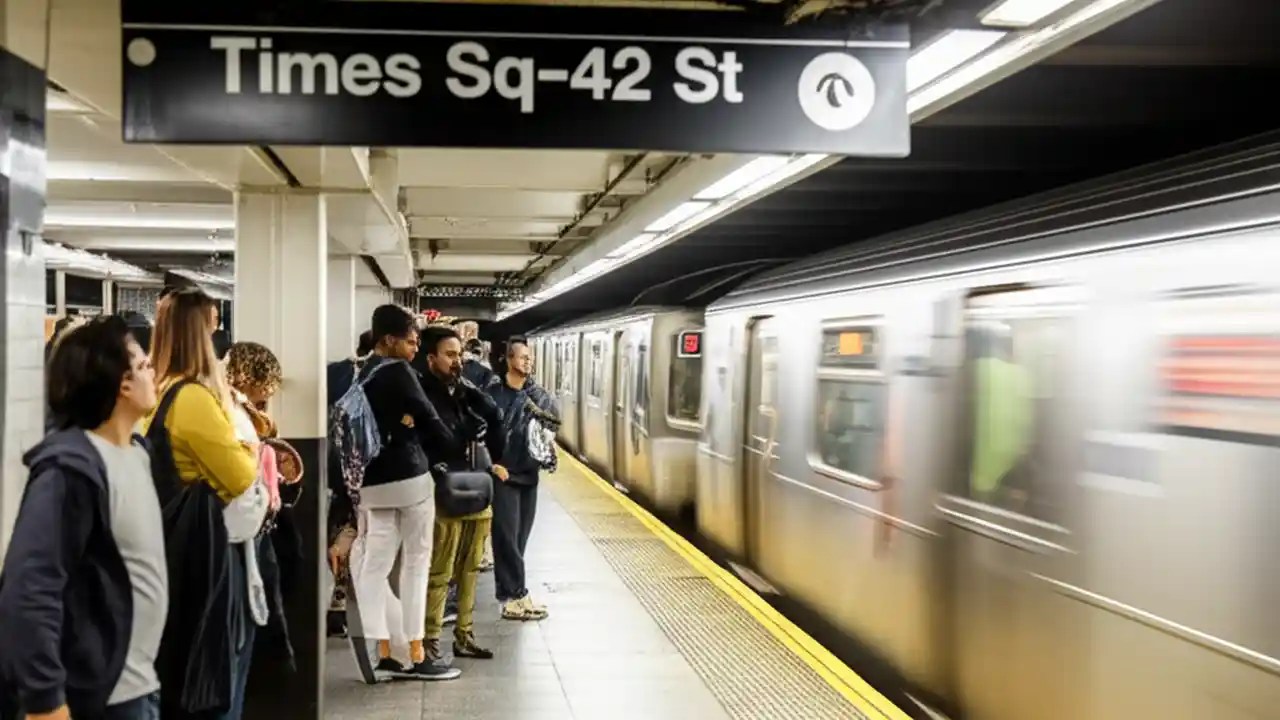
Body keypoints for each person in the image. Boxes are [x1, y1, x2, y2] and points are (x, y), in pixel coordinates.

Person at [0, 316, 164, 720]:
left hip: (138, 686)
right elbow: (30, 587)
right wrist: (45, 700)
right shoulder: (71, 469)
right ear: (122, 384)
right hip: (96, 699)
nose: (154, 373)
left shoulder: (137, 454)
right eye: (144, 366)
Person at [142, 288, 259, 720]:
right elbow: (241, 477)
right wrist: (250, 449)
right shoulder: (192, 398)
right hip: (206, 552)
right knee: (219, 669)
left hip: (165, 547)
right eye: (212, 327)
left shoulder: (154, 392)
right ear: (201, 333)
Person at [345, 305, 461, 682]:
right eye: (410, 342)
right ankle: (416, 650)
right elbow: (433, 424)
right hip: (410, 482)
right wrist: (440, 443)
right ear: (388, 340)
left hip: (371, 486)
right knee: (416, 564)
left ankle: (386, 649)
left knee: (375, 567)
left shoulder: (359, 372)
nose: (414, 349)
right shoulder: (399, 372)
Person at [416, 326, 507, 664]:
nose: (458, 362)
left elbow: (495, 418)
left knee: (470, 567)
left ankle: (464, 635)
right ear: (431, 359)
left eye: (460, 356)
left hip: (476, 484)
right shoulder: (422, 392)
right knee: (441, 571)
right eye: (450, 355)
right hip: (444, 490)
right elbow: (431, 439)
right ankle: (429, 638)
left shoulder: (465, 390)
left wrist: (470, 393)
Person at [486, 339, 560, 621]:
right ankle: (516, 594)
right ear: (508, 359)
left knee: (519, 538)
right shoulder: (492, 394)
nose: (528, 362)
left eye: (530, 358)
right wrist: (491, 466)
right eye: (522, 357)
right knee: (505, 537)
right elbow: (479, 432)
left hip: (528, 475)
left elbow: (549, 429)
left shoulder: (538, 396)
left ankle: (510, 595)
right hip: (504, 475)